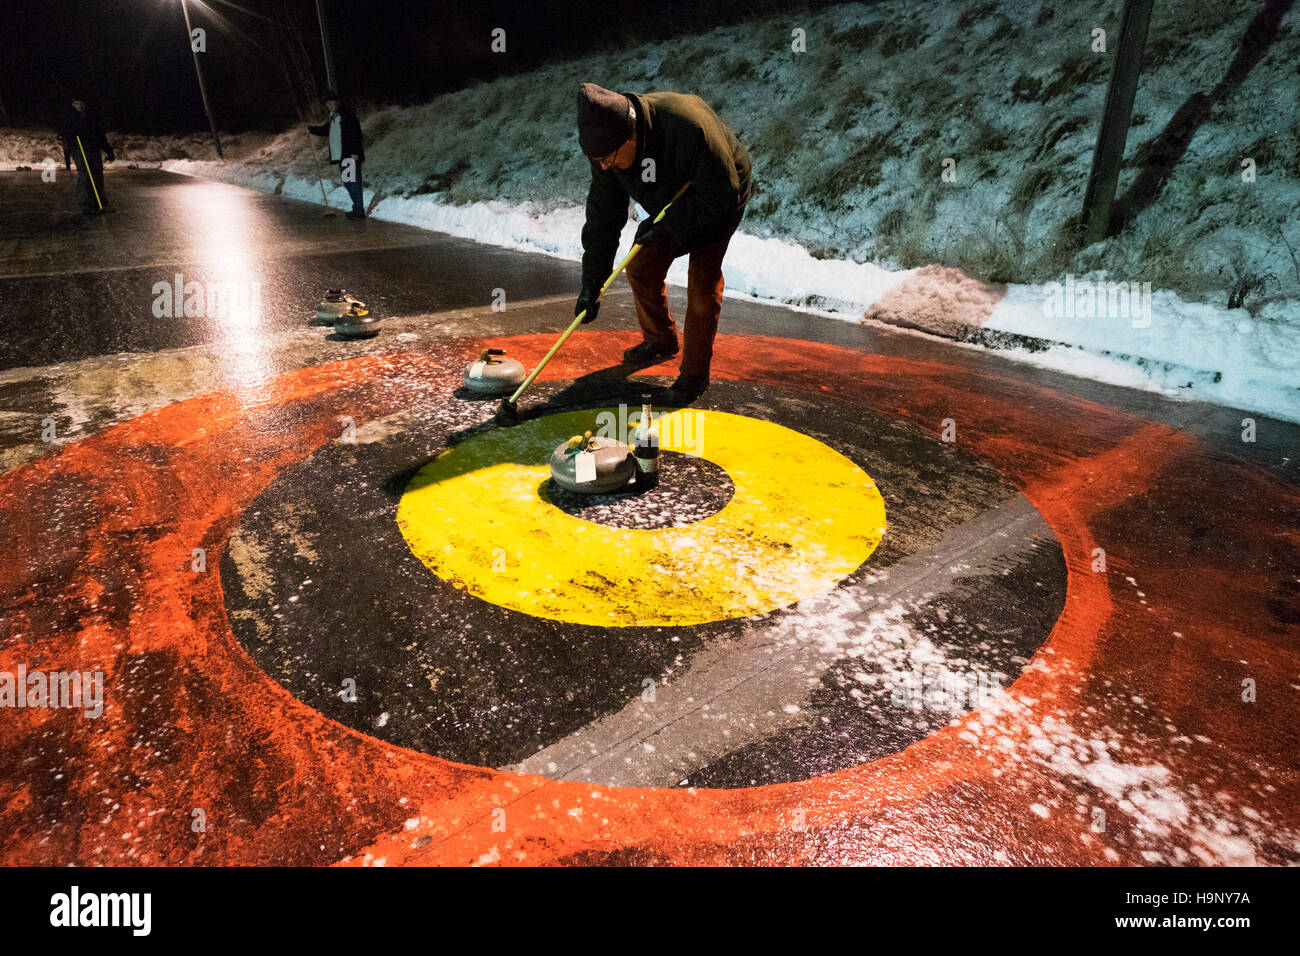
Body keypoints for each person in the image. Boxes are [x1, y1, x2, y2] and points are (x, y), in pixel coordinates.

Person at [574, 82, 752, 403]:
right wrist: (592, 283)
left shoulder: (686, 122)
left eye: (608, 160)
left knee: (702, 281)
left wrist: (667, 224)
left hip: (720, 193)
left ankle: (694, 375)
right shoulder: (607, 150)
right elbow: (603, 218)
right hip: (668, 197)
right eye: (598, 161)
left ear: (629, 134)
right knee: (640, 266)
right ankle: (661, 341)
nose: (604, 167)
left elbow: (723, 194)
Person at [307, 90, 366, 219]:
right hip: (341, 156)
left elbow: (356, 134)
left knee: (352, 182)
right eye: (328, 103)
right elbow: (326, 130)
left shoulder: (347, 116)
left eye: (332, 102)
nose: (330, 105)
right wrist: (311, 129)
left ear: (337, 102)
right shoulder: (334, 117)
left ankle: (359, 210)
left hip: (350, 155)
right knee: (348, 182)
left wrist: (355, 152)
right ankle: (357, 207)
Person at [57, 97, 114, 215]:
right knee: (85, 176)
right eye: (76, 103)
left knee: (98, 176)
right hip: (79, 150)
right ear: (73, 105)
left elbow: (100, 136)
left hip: (94, 150)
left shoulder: (91, 118)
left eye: (81, 103)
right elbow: (62, 133)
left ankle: (99, 203)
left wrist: (109, 151)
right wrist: (69, 133)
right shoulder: (69, 118)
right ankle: (84, 204)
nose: (79, 105)